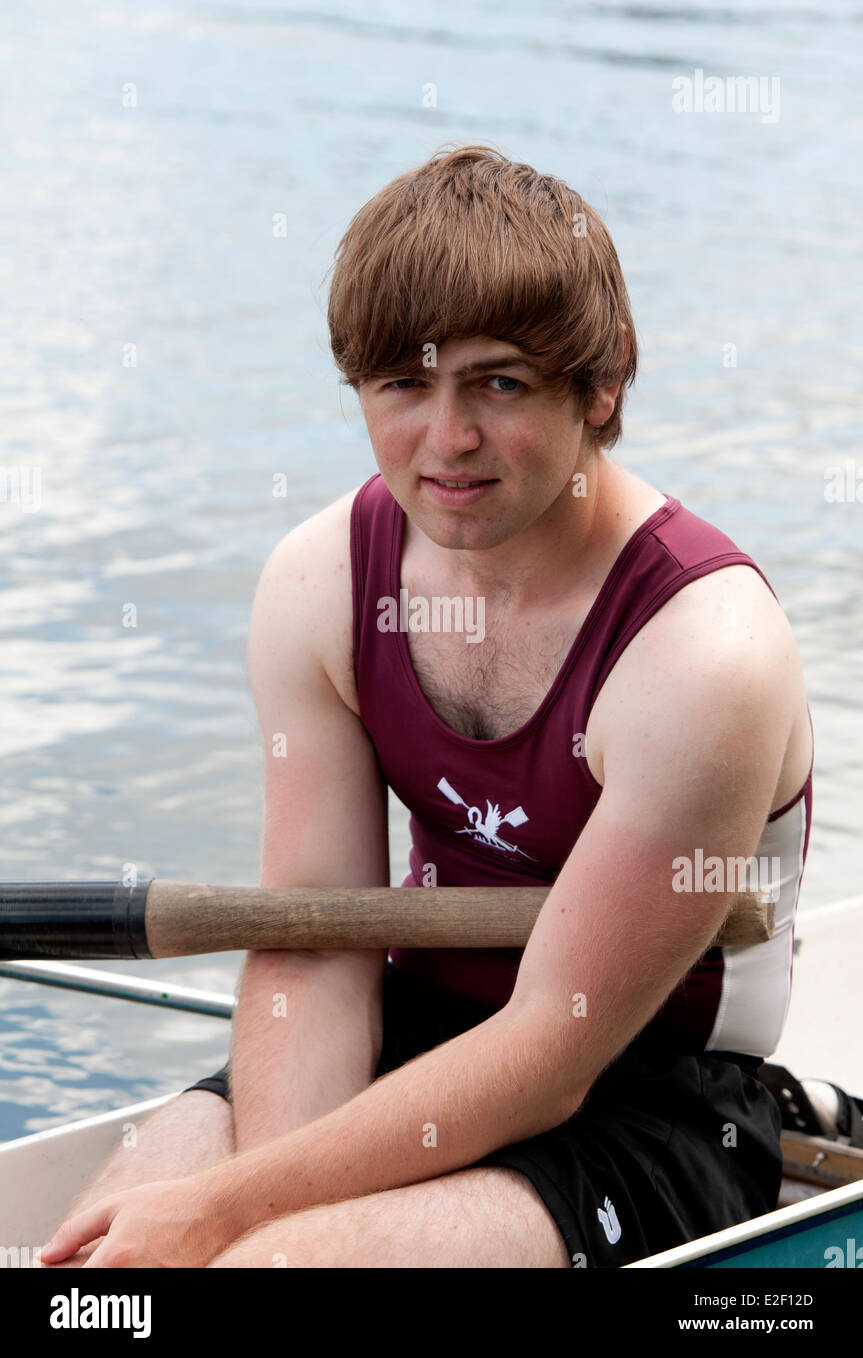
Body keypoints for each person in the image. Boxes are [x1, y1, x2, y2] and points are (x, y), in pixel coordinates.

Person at [42, 143, 813, 1270]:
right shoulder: (319, 584)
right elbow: (313, 944)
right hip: (412, 1032)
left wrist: (243, 1219)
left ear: (600, 385)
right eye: (404, 385)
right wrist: (256, 1199)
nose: (444, 440)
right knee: (91, 1276)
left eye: (497, 383)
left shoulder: (701, 655)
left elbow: (553, 1045)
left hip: (647, 1085)